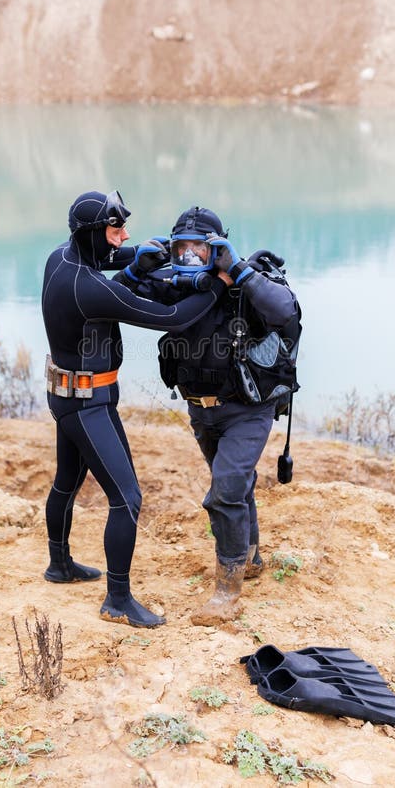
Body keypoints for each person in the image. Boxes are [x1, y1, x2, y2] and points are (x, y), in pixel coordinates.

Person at [41, 191, 230, 628]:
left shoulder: (60, 260)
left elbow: (112, 260)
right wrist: (218, 283)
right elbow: (173, 318)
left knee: (66, 482)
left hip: (64, 396)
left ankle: (60, 565)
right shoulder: (90, 289)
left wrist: (143, 256)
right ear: (92, 234)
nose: (123, 236)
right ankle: (118, 599)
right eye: (115, 230)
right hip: (90, 404)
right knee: (127, 498)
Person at [115, 206, 301, 626]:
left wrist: (236, 268)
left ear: (218, 245)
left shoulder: (244, 283)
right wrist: (137, 270)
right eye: (182, 247)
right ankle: (250, 557)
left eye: (201, 247)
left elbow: (285, 312)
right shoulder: (174, 286)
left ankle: (227, 592)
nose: (191, 255)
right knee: (235, 485)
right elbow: (115, 299)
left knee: (227, 487)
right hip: (201, 410)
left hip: (248, 409)